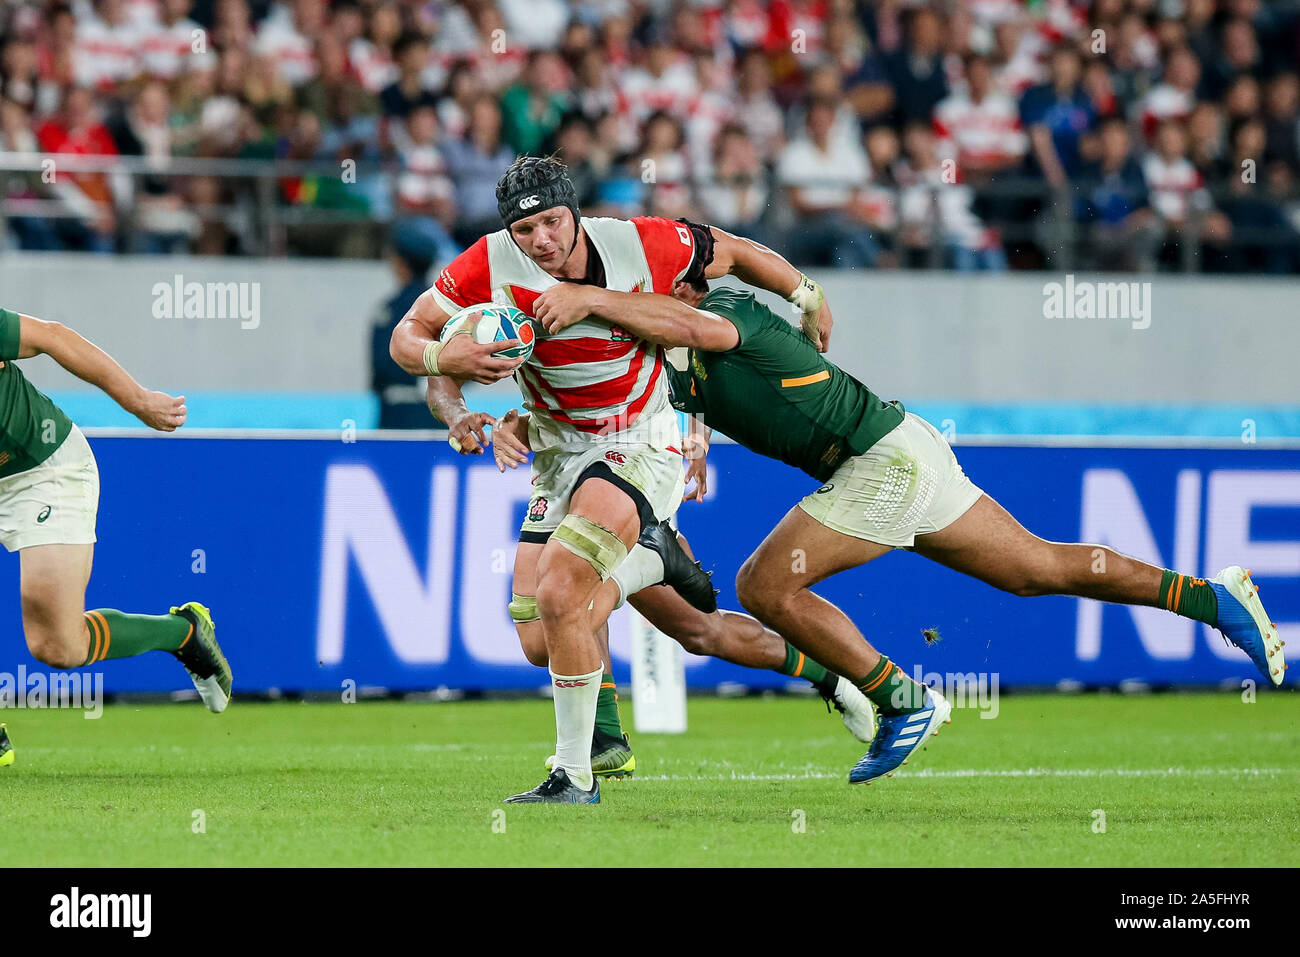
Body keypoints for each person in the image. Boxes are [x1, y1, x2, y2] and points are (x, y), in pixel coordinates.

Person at [519, 279, 1287, 785]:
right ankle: (1215, 599)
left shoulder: (724, 314)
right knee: (1041, 568)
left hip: (879, 462)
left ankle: (900, 697)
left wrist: (594, 297)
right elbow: (656, 405)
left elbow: (683, 328)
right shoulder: (673, 370)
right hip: (903, 446)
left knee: (764, 585)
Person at [388, 156, 836, 804]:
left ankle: (578, 771)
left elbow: (733, 254)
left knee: (567, 583)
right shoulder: (486, 266)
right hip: (558, 452)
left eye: (550, 221)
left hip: (640, 440)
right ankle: (663, 580)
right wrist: (451, 385)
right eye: (524, 230)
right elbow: (416, 342)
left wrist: (806, 294)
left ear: (573, 211)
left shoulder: (640, 243)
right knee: (553, 636)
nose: (540, 240)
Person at [0, 306, 232, 725]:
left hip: (42, 470)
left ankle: (182, 633)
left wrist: (138, 400)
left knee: (59, 648)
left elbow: (54, 335)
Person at [371, 223, 439, 429]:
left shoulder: (391, 310)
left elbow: (382, 366)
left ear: (400, 263)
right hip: (441, 413)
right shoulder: (446, 308)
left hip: (397, 416)